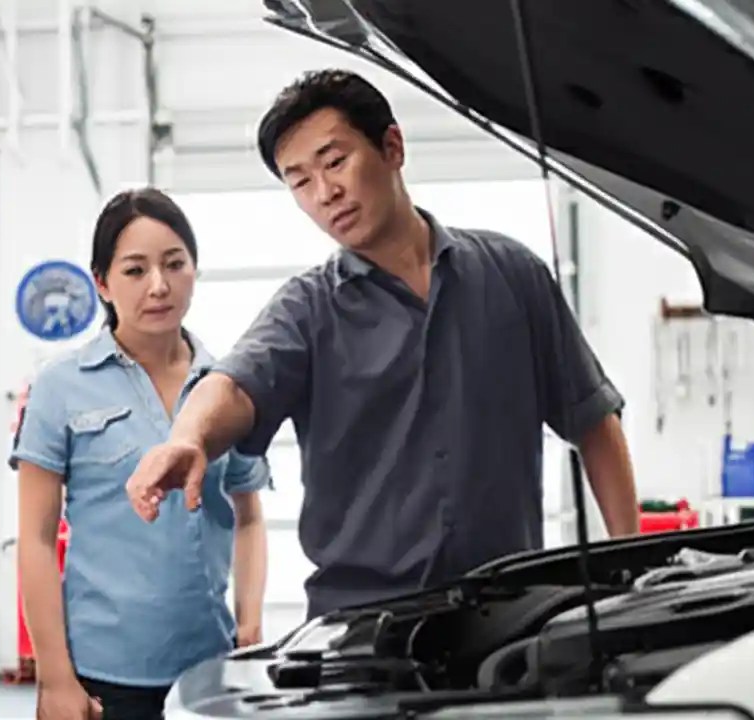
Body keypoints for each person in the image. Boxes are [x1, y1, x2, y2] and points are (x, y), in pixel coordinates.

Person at [125, 69, 641, 621]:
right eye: (300, 181)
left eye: (335, 161)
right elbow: (232, 385)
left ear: (392, 146)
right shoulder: (307, 310)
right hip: (367, 629)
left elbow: (593, 421)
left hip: (510, 619)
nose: (326, 194)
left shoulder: (513, 276)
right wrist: (188, 437)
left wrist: (631, 572)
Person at [11, 188, 271, 720]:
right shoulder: (60, 387)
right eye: (135, 270)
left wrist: (249, 625)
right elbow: (36, 541)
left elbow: (248, 518)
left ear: (195, 270)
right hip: (101, 678)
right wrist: (56, 679)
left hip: (208, 671)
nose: (159, 286)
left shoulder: (228, 387)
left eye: (175, 264)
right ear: (102, 282)